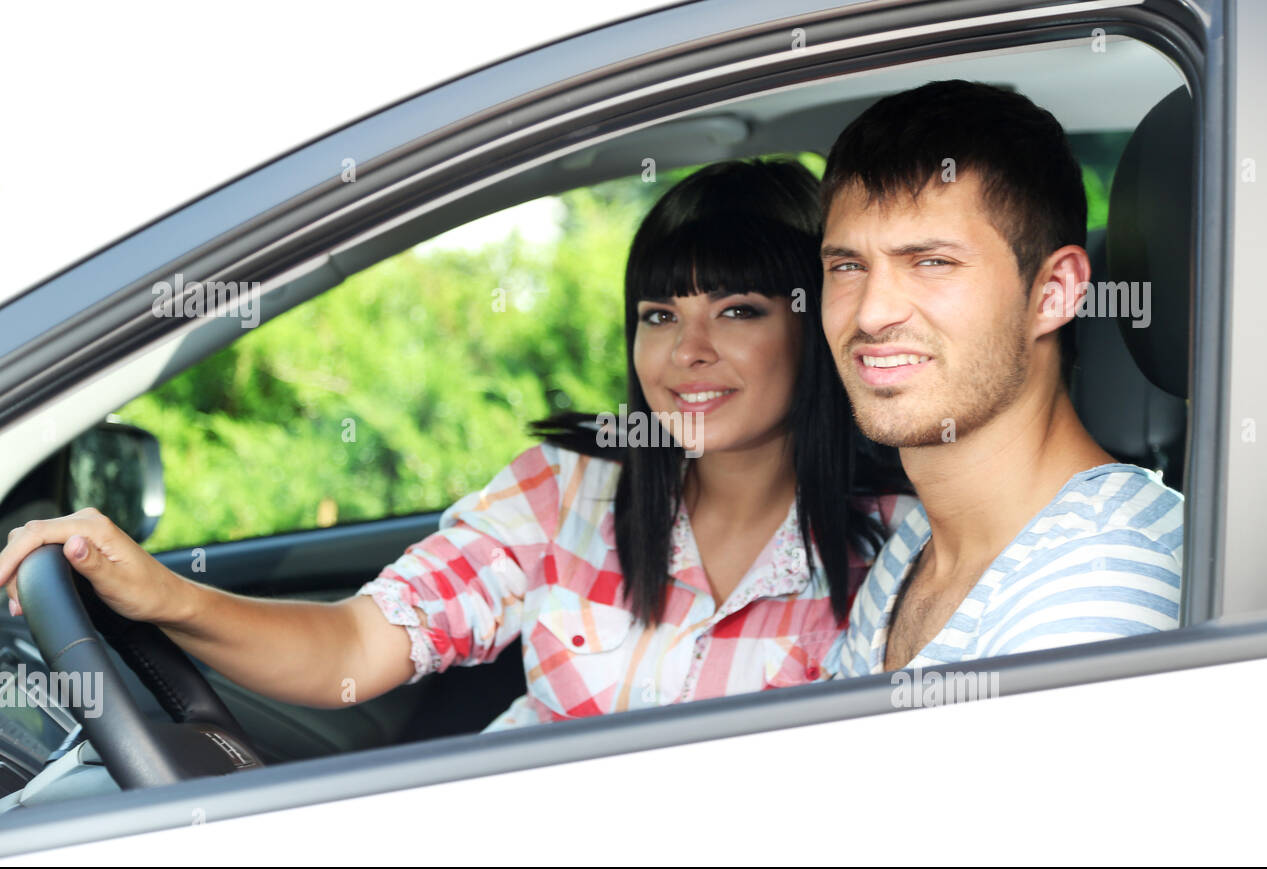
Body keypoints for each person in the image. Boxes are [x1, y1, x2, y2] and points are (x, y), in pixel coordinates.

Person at [1, 159, 912, 731]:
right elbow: (356, 651)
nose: (688, 352)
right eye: (659, 315)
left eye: (739, 311)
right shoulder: (571, 491)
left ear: (817, 323)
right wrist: (165, 596)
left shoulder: (900, 548)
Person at [817, 81, 1184, 677]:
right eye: (848, 266)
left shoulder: (1102, 581)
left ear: (1053, 292)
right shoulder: (918, 546)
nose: (870, 312)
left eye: (932, 262)